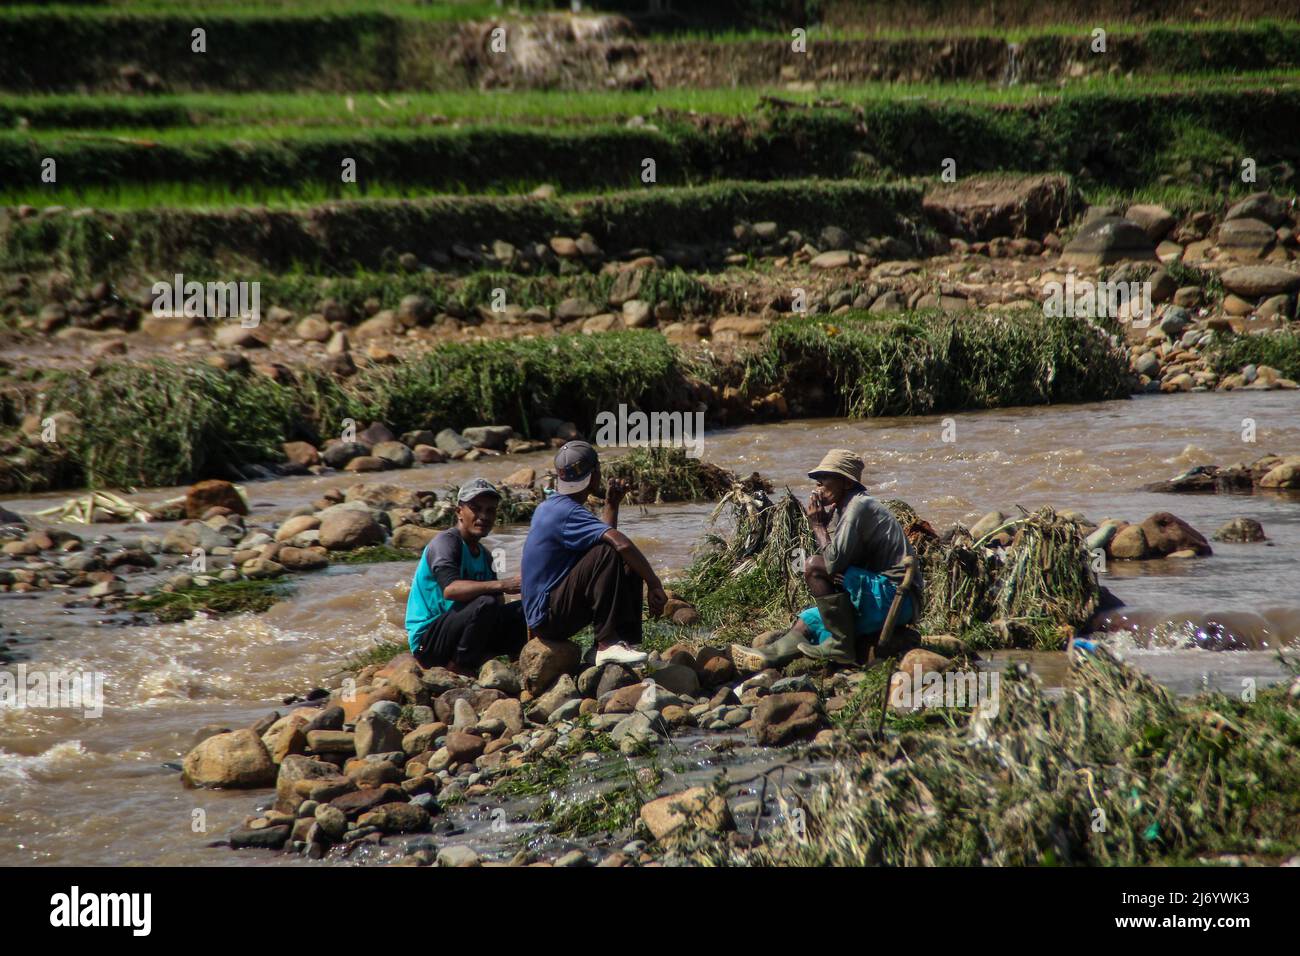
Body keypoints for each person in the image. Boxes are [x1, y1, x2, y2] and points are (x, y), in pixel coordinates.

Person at [731, 449, 922, 670]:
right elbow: (838, 563)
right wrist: (828, 531)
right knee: (808, 620)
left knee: (812, 566)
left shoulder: (858, 507)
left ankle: (841, 645)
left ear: (847, 484)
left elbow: (830, 564)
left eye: (824, 481)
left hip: (896, 597)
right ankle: (766, 657)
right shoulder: (847, 509)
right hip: (874, 593)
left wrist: (818, 526)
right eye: (817, 482)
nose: (817, 487)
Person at [521, 440, 668, 666]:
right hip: (547, 618)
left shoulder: (553, 505)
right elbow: (619, 545)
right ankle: (606, 643)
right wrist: (654, 583)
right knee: (612, 551)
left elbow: (602, 550)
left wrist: (611, 504)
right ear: (593, 475)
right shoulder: (567, 511)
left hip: (547, 614)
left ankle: (621, 642)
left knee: (624, 561)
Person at [405, 478, 526, 675]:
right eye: (476, 508)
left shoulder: (484, 554)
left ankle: (517, 660)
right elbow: (450, 590)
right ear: (459, 511)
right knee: (486, 601)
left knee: (522, 608)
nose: (483, 516)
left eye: (490, 510)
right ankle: (459, 668)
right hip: (427, 642)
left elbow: (498, 602)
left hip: (461, 631)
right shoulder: (446, 543)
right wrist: (503, 584)